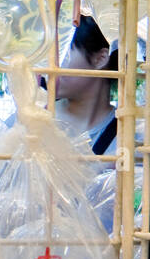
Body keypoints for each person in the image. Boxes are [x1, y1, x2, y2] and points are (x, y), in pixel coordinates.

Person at [51, 15, 118, 156]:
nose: (50, 64)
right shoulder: (28, 124)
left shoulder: (131, 136)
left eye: (63, 54)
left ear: (100, 59)